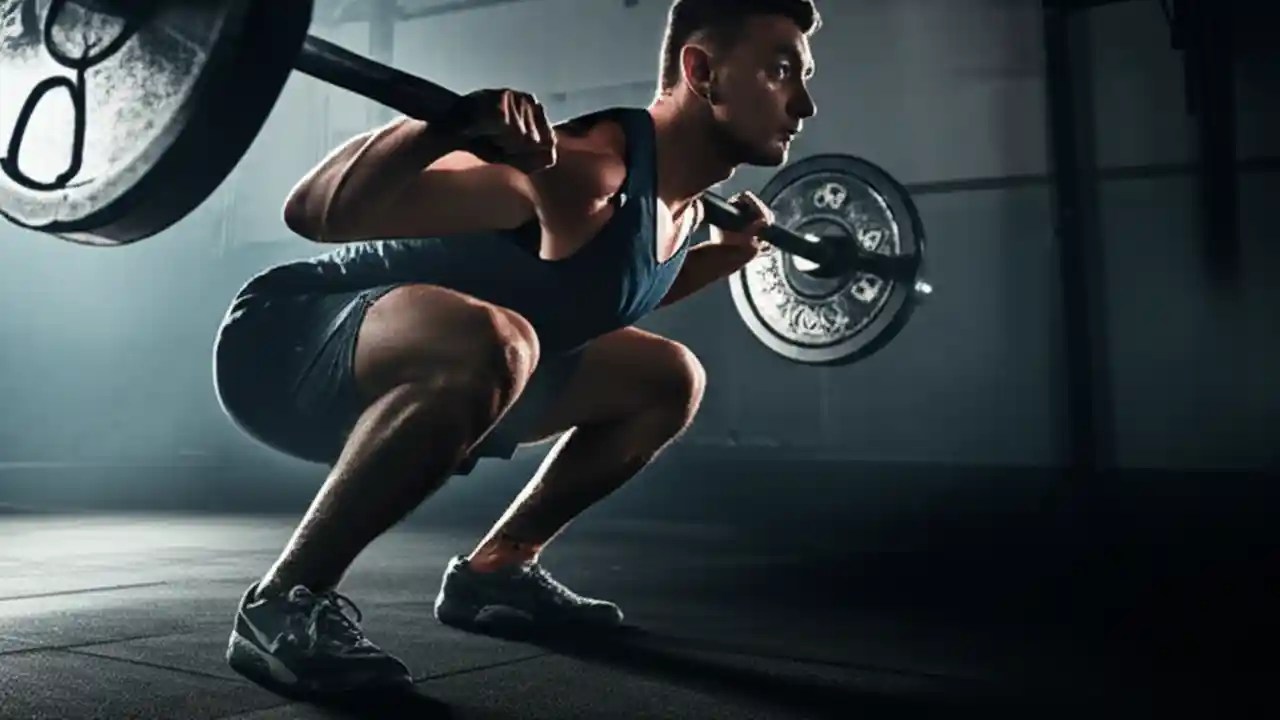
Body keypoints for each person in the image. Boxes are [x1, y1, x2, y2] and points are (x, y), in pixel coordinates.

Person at [212, 0, 820, 698]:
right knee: (504, 341)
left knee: (667, 378)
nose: (803, 104)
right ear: (702, 72)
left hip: (437, 367)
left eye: (803, 78)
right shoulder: (581, 170)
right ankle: (282, 604)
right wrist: (444, 129)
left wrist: (722, 256)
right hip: (285, 345)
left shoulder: (674, 211)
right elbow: (313, 211)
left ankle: (497, 572)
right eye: (781, 71)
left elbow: (607, 292)